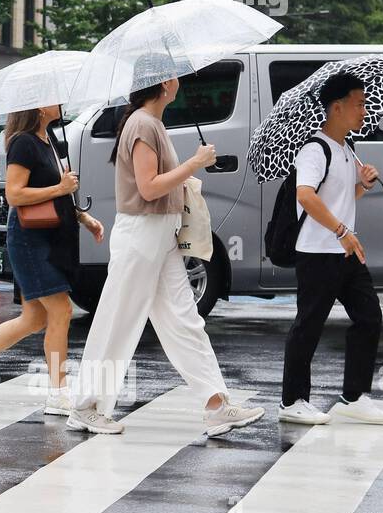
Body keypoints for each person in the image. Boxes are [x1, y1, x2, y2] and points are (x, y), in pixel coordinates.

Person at [66, 69, 265, 438]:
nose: (179, 81)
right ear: (163, 84)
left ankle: (217, 405)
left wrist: (185, 175)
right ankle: (86, 406)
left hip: (158, 235)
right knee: (119, 320)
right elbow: (148, 187)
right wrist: (194, 163)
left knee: (184, 319)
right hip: (142, 234)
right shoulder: (144, 125)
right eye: (174, 76)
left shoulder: (150, 122)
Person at [0, 106, 104, 412]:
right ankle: (58, 393)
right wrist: (60, 186)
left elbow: (57, 197)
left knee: (34, 319)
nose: (61, 103)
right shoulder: (23, 142)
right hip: (30, 239)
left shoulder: (49, 140)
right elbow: (14, 194)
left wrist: (84, 218)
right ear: (40, 106)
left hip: (49, 235)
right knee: (61, 311)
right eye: (55, 99)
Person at [279, 72, 383, 425]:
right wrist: (341, 229)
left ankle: (354, 395)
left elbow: (340, 198)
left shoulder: (346, 149)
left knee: (369, 316)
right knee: (309, 325)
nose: (364, 110)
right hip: (318, 251)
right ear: (337, 107)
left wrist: (364, 185)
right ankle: (292, 401)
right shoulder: (315, 149)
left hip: (344, 250)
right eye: (358, 104)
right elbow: (305, 195)